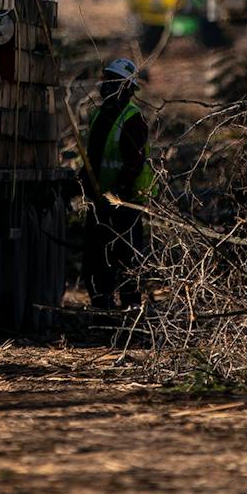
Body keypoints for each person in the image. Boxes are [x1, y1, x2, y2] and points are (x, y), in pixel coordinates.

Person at [83, 57, 154, 309]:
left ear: (126, 88)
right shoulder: (98, 116)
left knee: (127, 258)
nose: (106, 86)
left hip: (126, 202)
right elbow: (92, 159)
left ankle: (131, 308)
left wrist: (116, 194)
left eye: (113, 81)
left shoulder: (133, 119)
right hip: (100, 201)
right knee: (96, 258)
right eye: (106, 80)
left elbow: (134, 163)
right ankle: (102, 306)